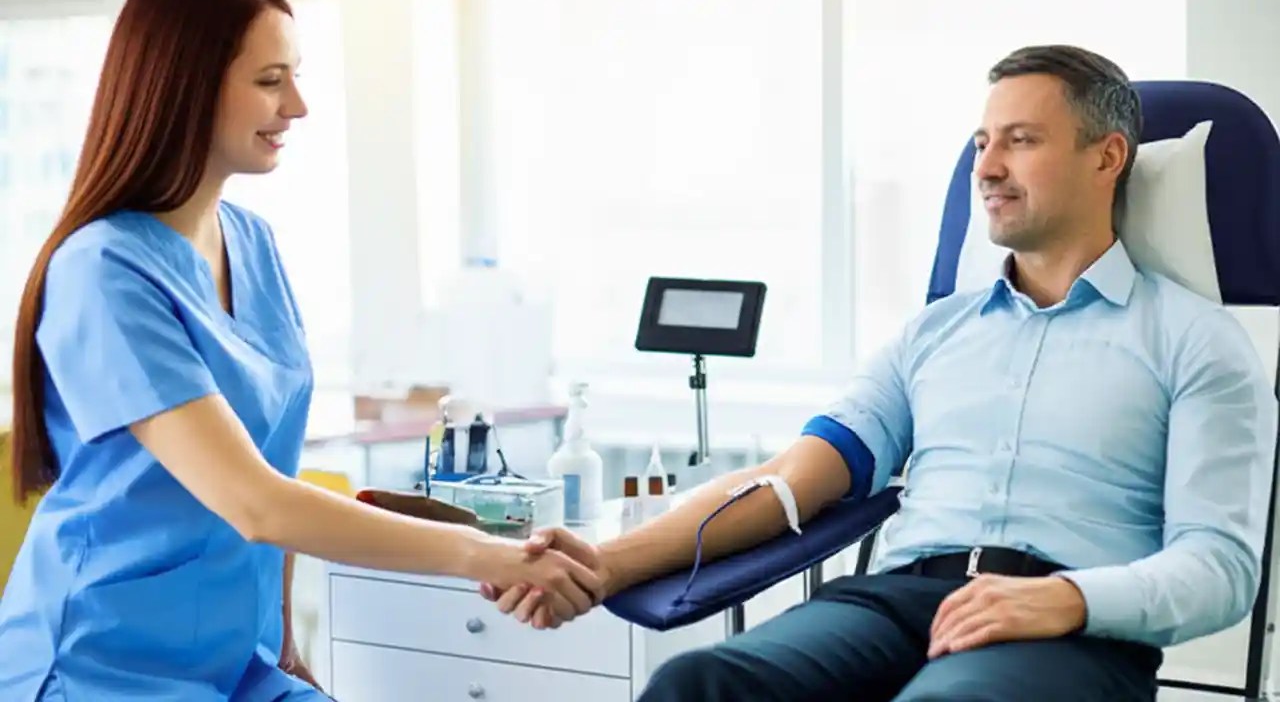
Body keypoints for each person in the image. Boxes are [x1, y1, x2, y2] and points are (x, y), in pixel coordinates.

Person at [483, 44, 1278, 701]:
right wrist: (606, 563)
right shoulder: (933, 335)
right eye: (981, 143)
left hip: (1067, 632)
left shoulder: (1197, 344)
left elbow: (1219, 567)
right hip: (892, 604)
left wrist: (1065, 599)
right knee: (701, 685)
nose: (988, 168)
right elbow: (795, 480)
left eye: (1022, 141)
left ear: (1108, 157)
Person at [0, 0, 602, 700]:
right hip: (103, 664)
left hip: (237, 662)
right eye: (269, 81)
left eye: (295, 77)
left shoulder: (253, 245)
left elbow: (274, 456)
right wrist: (487, 555)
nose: (297, 107)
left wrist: (284, 637)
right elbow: (257, 503)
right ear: (183, 87)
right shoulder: (103, 271)